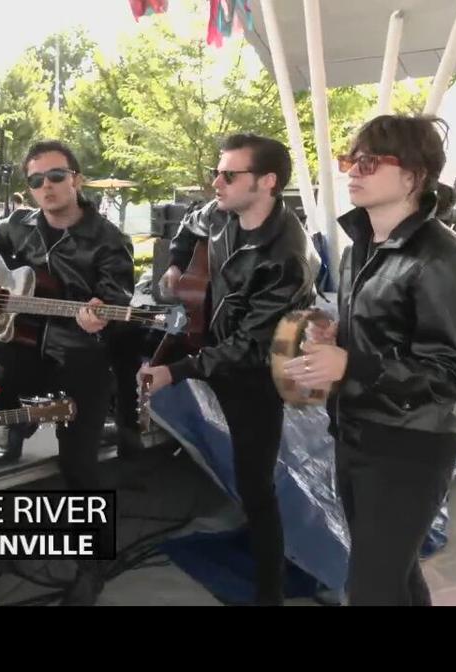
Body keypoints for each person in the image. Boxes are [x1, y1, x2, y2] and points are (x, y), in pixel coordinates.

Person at [283, 114, 456, 606]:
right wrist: (341, 336)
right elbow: (392, 335)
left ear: (414, 176)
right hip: (357, 431)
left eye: (370, 161)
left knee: (372, 587)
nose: (353, 171)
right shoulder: (363, 247)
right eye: (350, 160)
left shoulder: (446, 261)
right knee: (392, 576)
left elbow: (450, 375)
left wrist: (350, 364)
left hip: (410, 446)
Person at [0, 139, 134, 606]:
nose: (46, 187)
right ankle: (18, 414)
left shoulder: (109, 239)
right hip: (27, 348)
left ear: (76, 179)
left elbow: (117, 301)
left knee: (78, 467)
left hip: (82, 361)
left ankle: (94, 566)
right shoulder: (18, 226)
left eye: (55, 176)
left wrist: (100, 314)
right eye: (36, 181)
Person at [142, 133, 316, 606]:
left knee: (256, 486)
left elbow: (249, 346)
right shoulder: (220, 212)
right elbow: (188, 227)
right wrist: (178, 266)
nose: (215, 182)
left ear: (267, 182)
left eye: (228, 174)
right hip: (209, 339)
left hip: (254, 370)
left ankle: (269, 595)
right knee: (122, 335)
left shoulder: (287, 257)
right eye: (218, 172)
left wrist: (176, 371)